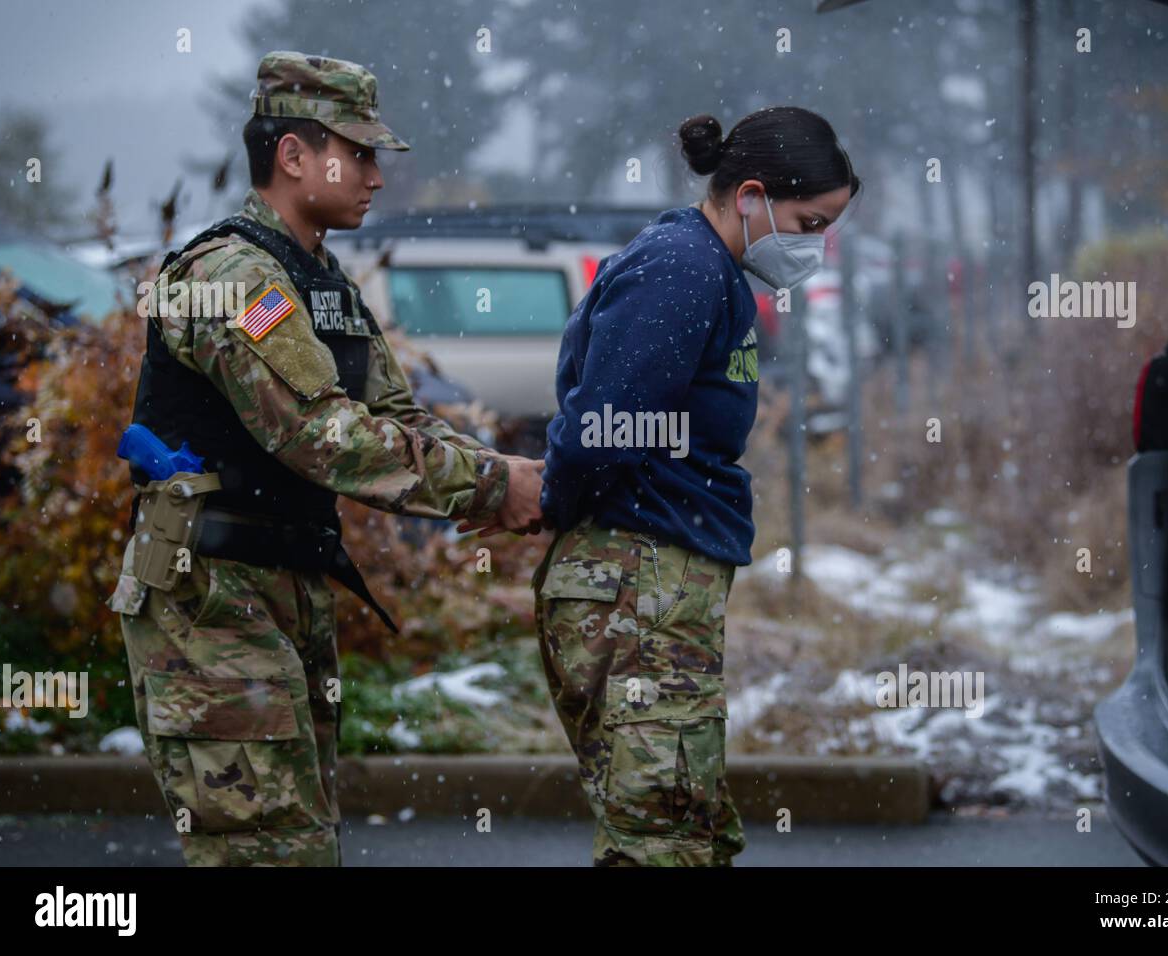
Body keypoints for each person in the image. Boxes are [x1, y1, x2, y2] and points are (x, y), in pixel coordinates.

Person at [104, 51, 544, 867]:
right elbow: (320, 435)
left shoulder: (320, 279)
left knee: (300, 842)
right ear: (294, 156)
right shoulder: (233, 278)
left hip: (282, 585)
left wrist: (518, 484)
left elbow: (394, 416)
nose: (377, 175)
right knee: (267, 852)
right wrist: (491, 487)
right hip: (213, 598)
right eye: (361, 151)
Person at [525, 106, 857, 866]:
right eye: (809, 222)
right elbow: (602, 426)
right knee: (661, 836)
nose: (815, 245)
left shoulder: (712, 271)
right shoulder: (682, 267)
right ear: (749, 196)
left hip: (658, 578)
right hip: (637, 580)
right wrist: (550, 504)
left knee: (684, 826)